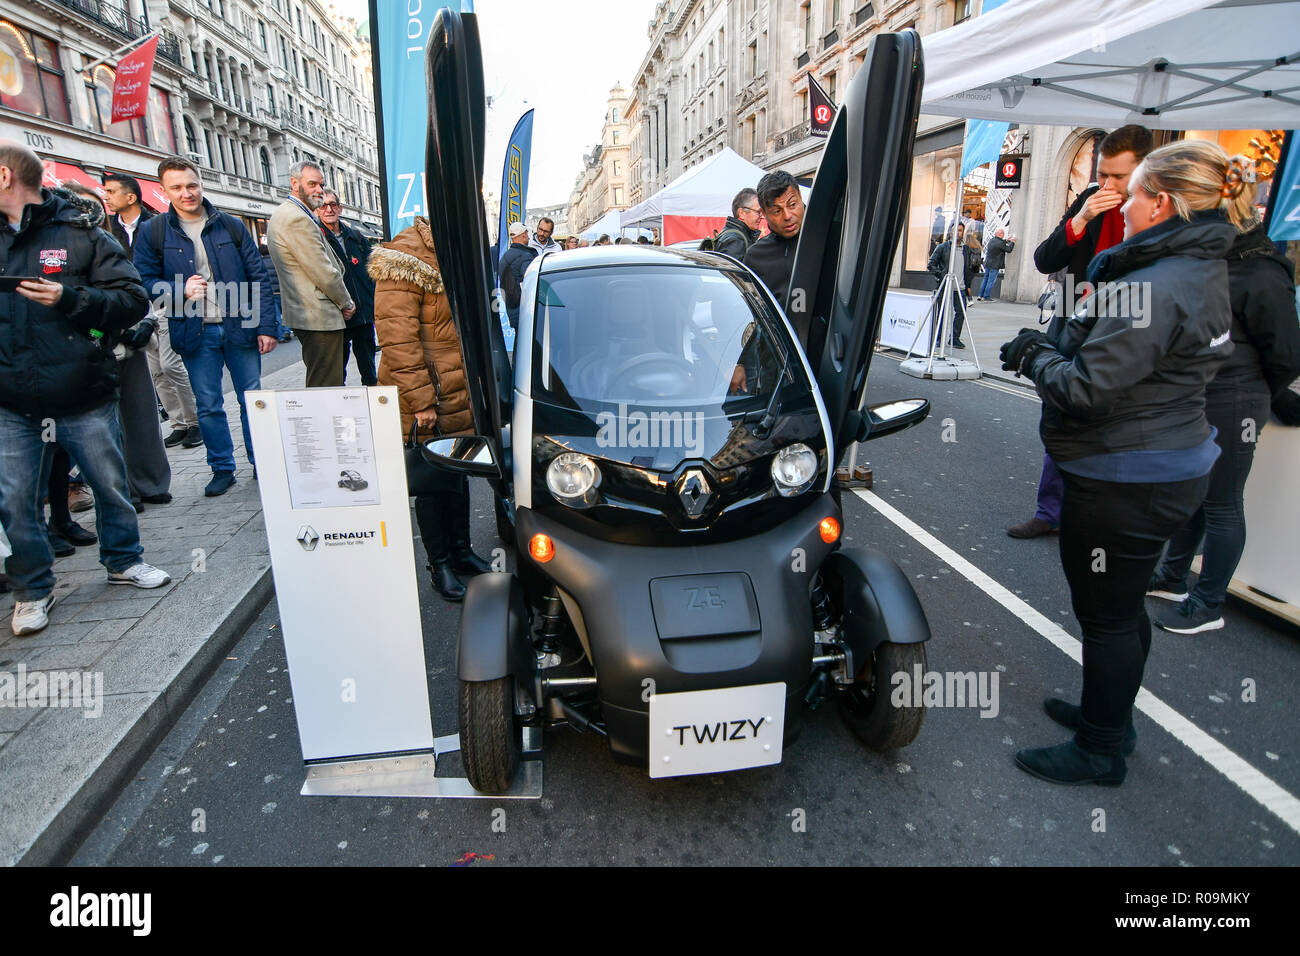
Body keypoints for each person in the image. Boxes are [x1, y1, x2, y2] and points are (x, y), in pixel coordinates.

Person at [999, 140, 1237, 786]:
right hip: (1163, 462)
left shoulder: (1160, 285)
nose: (1122, 204)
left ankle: (1100, 747)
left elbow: (1085, 387)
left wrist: (1031, 355)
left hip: (1128, 475)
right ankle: (1111, 716)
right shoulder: (1198, 265)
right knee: (1122, 607)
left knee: (1106, 614)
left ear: (1160, 203)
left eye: (1133, 193)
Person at [0, 141, 171, 637]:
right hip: (11, 396)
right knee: (15, 499)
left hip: (80, 388)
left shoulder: (80, 232)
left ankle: (123, 560)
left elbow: (132, 299)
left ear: (7, 176)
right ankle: (32, 590)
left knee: (109, 484)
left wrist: (70, 296)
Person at [1149, 155, 1300, 635]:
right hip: (1200, 394)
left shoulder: (1260, 270)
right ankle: (1173, 577)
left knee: (1220, 502)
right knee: (1194, 494)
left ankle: (1208, 603)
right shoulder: (1207, 259)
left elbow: (1286, 353)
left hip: (1235, 398)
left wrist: (1276, 397)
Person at [1008, 124, 1155, 540]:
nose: (1108, 184)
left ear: (1145, 172)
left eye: (1119, 177)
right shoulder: (1090, 201)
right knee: (1060, 413)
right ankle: (1049, 510)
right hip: (1076, 317)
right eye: (1103, 173)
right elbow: (1043, 258)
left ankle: (1104, 518)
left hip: (1128, 326)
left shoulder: (1159, 211)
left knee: (1118, 423)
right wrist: (1082, 216)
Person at [134, 155, 279, 498]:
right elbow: (141, 281)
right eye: (177, 188)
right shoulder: (152, 232)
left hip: (239, 325)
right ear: (164, 191)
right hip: (194, 330)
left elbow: (258, 276)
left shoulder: (230, 225)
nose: (187, 193)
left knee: (252, 399)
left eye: (192, 185)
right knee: (209, 403)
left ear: (201, 183)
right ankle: (222, 468)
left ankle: (262, 463)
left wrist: (267, 326)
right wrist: (178, 290)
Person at [367, 215, 491, 601]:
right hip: (426, 394)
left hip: (457, 388)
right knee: (432, 481)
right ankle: (439, 565)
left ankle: (462, 551)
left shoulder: (453, 253)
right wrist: (421, 401)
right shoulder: (404, 259)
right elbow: (398, 342)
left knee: (456, 472)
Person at [61, 180, 172, 511]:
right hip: (92, 346)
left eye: (94, 205)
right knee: (105, 426)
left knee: (141, 416)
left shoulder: (113, 241)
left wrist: (145, 322)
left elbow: (135, 287)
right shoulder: (60, 252)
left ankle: (150, 482)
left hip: (130, 340)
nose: (89, 213)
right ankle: (122, 491)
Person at [104, 173, 202, 451]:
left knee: (172, 364)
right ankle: (179, 423)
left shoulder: (157, 224)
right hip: (135, 306)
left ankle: (196, 422)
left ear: (131, 197)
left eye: (112, 191)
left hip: (165, 301)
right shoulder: (111, 228)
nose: (107, 197)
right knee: (156, 370)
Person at [268, 161, 355, 387]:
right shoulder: (296, 218)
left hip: (312, 315)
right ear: (295, 184)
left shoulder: (296, 214)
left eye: (321, 184)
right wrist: (346, 302)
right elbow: (323, 271)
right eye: (312, 184)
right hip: (317, 316)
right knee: (327, 386)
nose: (319, 189)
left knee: (325, 384)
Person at [316, 188, 377, 386]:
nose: (328, 210)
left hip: (363, 316)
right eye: (323, 206)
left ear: (340, 208)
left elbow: (373, 271)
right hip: (338, 317)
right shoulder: (317, 239)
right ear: (317, 211)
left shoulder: (356, 237)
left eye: (333, 205)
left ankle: (373, 410)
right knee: (336, 373)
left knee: (369, 371)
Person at [744, 170, 804, 304]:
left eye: (792, 204)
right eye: (777, 211)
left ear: (800, 198)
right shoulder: (756, 257)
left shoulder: (828, 236)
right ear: (764, 214)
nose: (787, 216)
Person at [927, 221, 979, 348]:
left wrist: (974, 268)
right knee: (942, 313)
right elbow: (931, 264)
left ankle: (954, 338)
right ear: (951, 232)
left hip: (960, 287)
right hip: (945, 285)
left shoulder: (966, 250)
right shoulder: (943, 247)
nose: (957, 232)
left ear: (963, 233)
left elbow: (969, 268)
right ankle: (938, 338)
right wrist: (941, 275)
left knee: (961, 312)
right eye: (955, 230)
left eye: (960, 230)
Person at [498, 220, 537, 329]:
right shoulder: (525, 256)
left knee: (519, 342)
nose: (528, 237)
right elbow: (531, 284)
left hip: (511, 308)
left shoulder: (504, 257)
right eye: (527, 234)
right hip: (525, 310)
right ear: (524, 235)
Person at [714, 187, 765, 260]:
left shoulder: (735, 237)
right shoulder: (735, 241)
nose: (762, 217)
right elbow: (732, 271)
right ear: (741, 213)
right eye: (758, 212)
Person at [259, 237, 292, 342]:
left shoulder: (261, 264)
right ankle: (287, 330)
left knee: (276, 315)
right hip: (281, 291)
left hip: (271, 293)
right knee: (286, 313)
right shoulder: (276, 262)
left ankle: (281, 335)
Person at [977, 228, 1016, 301]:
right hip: (995, 265)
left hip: (988, 263)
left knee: (985, 279)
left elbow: (1000, 243)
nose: (1003, 235)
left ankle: (980, 295)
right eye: (1003, 234)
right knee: (991, 281)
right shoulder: (1000, 243)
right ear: (1000, 234)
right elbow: (1008, 249)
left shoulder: (992, 240)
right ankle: (986, 296)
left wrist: (1006, 240)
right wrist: (1013, 242)